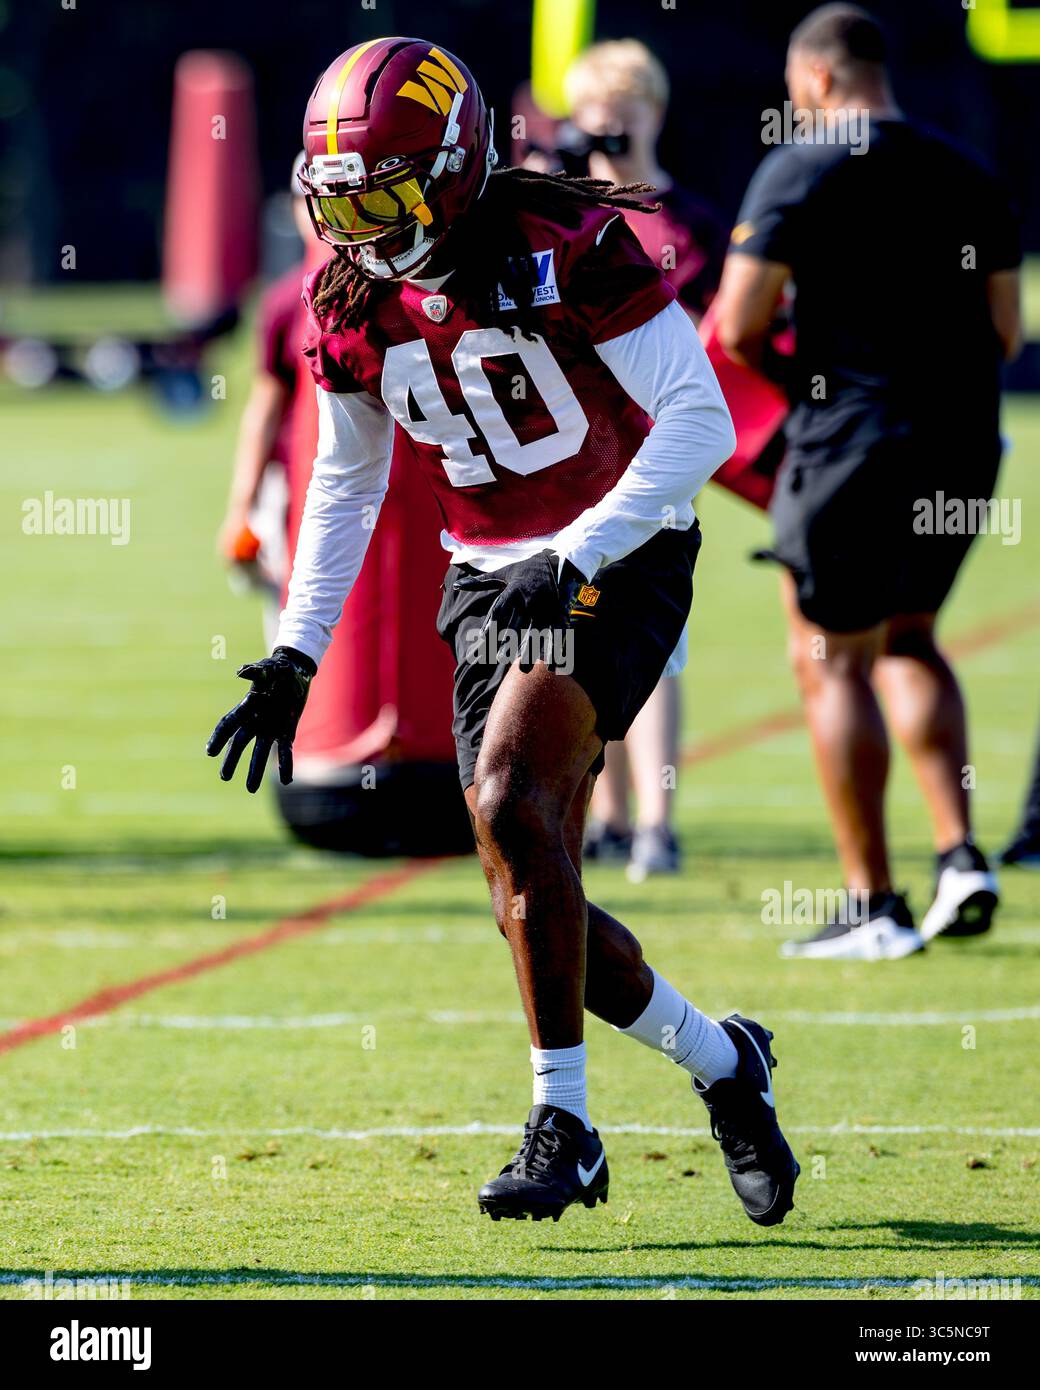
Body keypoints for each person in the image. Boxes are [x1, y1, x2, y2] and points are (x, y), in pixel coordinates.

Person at [206, 37, 799, 1226]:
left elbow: (695, 425)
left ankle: (564, 1125)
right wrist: (297, 648)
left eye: (389, 192)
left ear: (460, 164)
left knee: (504, 804)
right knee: (536, 886)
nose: (368, 224)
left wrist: (572, 552)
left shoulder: (569, 247)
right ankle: (725, 1061)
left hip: (617, 551)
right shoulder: (352, 300)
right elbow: (345, 483)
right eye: (348, 200)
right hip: (485, 576)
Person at [711, 5, 1021, 959]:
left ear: (814, 79)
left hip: (850, 445)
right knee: (914, 641)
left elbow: (735, 326)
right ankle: (961, 855)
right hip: (963, 446)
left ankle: (874, 906)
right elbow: (1004, 332)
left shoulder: (798, 166)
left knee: (834, 660)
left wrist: (806, 385)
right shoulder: (968, 169)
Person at [562, 39, 728, 880]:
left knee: (655, 640)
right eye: (595, 113)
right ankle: (610, 815)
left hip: (653, 451)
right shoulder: (555, 212)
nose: (607, 129)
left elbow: (706, 343)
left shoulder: (684, 221)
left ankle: (658, 821)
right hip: (573, 456)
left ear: (653, 112)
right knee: (579, 628)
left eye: (623, 110)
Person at [218, 153, 316, 638]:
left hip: (373, 486)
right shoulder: (284, 302)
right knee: (290, 621)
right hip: (296, 483)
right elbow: (263, 409)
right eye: (307, 199)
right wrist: (242, 506)